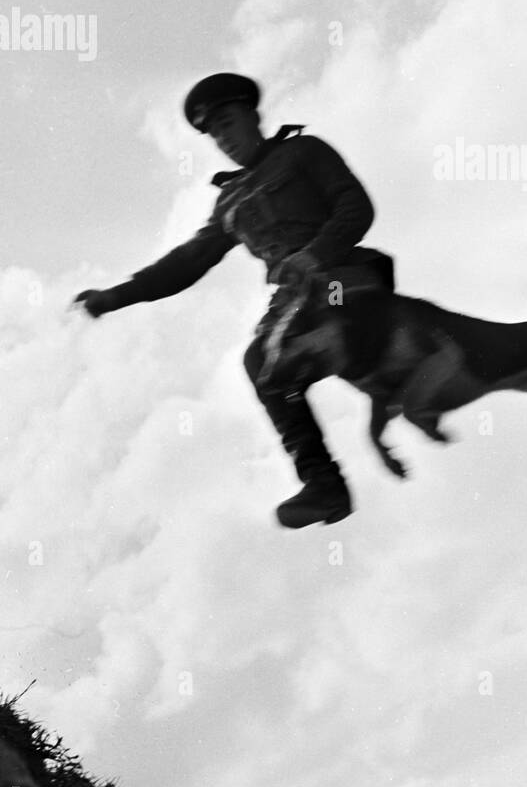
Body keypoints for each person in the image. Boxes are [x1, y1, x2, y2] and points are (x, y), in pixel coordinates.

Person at [74, 73, 393, 529]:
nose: (223, 138)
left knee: (324, 307)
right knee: (260, 363)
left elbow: (356, 207)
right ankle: (325, 486)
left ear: (253, 116)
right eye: (214, 132)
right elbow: (187, 261)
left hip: (343, 277)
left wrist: (314, 255)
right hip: (291, 303)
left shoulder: (303, 152)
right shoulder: (230, 201)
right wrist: (113, 296)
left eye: (228, 122)